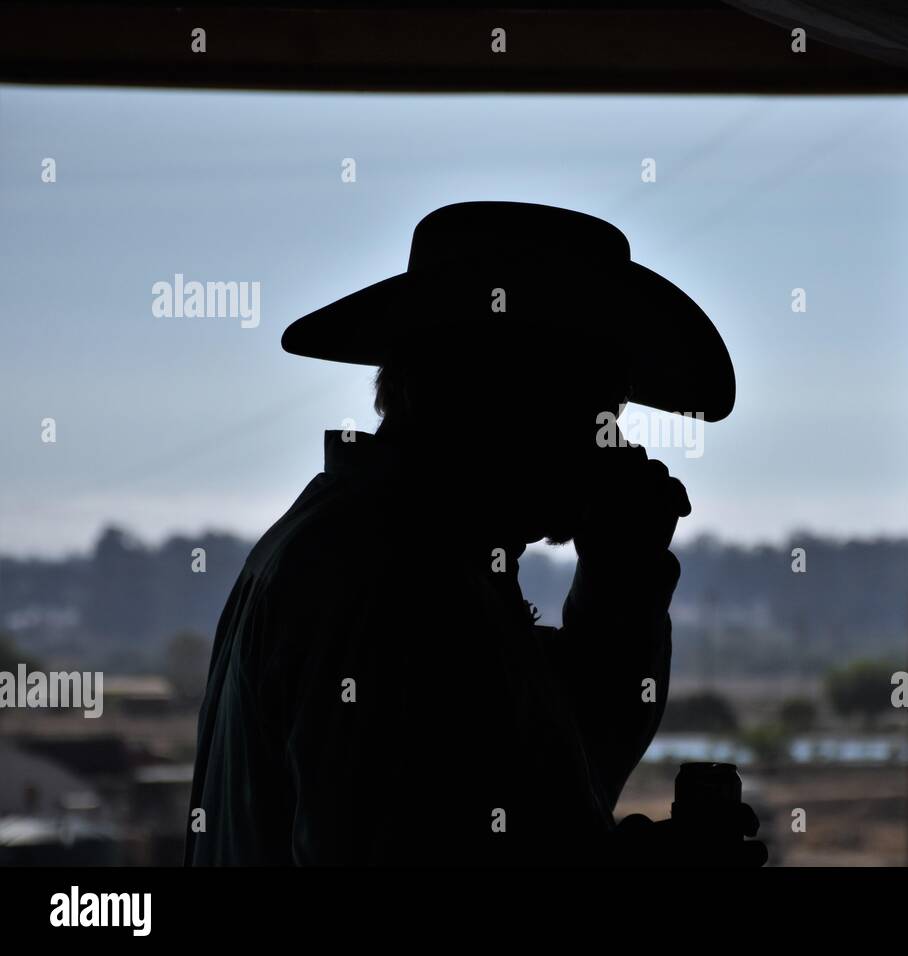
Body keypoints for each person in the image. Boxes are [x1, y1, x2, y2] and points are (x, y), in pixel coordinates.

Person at [184, 201, 765, 866]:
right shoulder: (393, 573)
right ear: (484, 391)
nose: (612, 445)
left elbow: (558, 780)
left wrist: (621, 575)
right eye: (594, 411)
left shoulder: (397, 551)